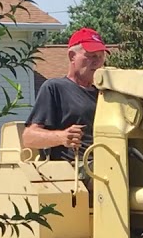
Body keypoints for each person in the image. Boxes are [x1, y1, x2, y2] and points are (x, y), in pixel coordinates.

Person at [21, 27, 109, 161]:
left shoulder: (105, 93)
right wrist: (62, 137)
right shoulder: (55, 88)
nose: (97, 61)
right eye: (91, 55)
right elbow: (29, 137)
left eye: (100, 56)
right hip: (76, 170)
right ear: (72, 56)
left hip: (110, 165)